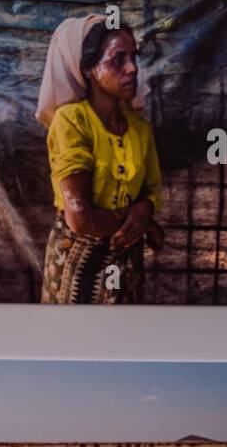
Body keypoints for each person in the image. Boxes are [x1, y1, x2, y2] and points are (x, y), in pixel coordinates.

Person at [36, 15, 165, 304]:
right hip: (78, 264)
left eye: (134, 58)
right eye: (118, 60)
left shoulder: (139, 127)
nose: (132, 69)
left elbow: (152, 189)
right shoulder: (71, 121)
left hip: (126, 260)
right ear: (90, 69)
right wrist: (142, 224)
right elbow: (81, 218)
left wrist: (145, 208)